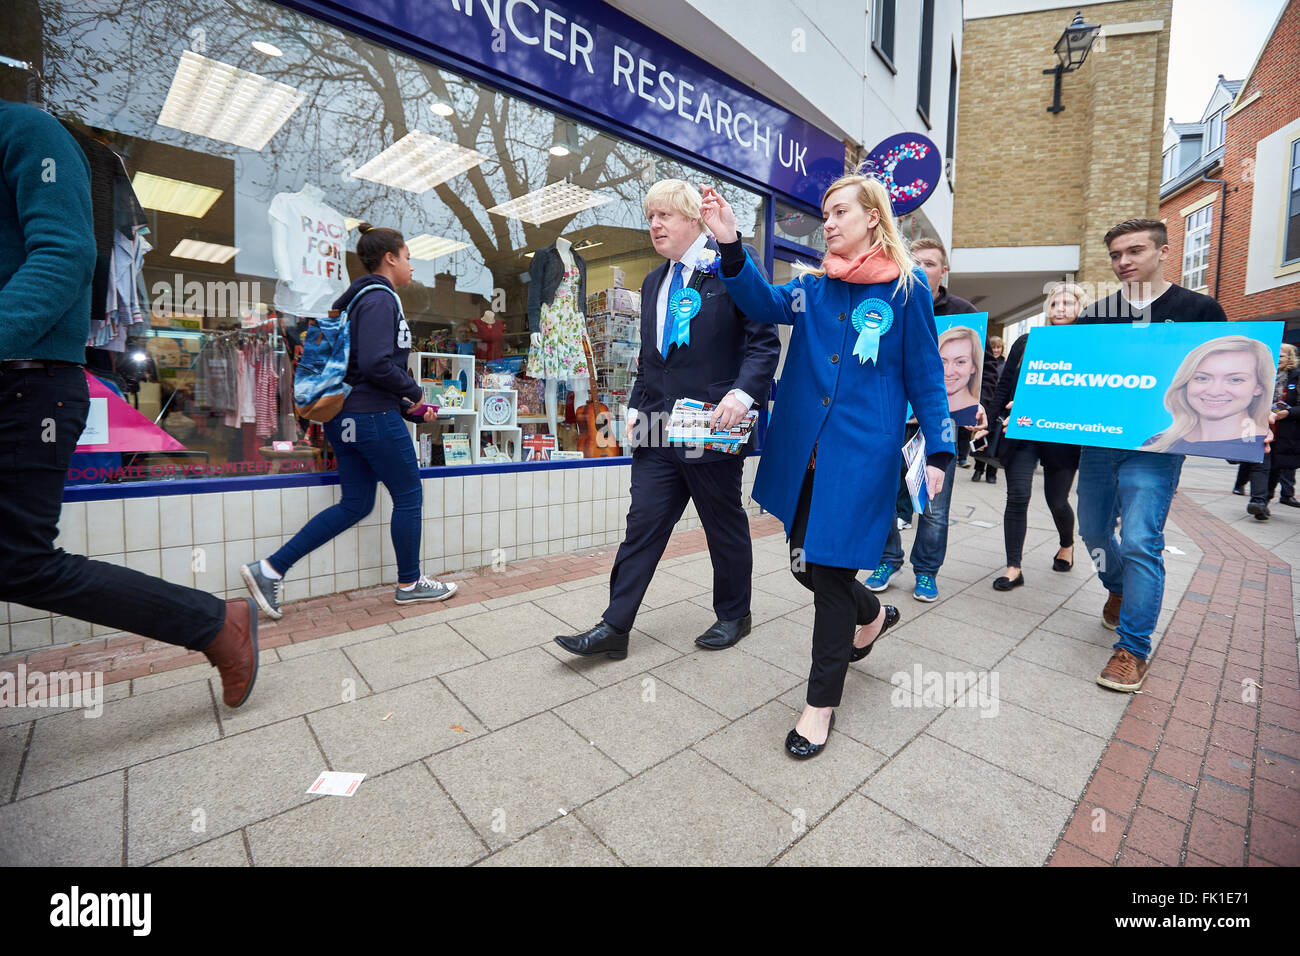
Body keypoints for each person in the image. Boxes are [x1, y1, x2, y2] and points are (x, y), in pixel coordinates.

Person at [0, 99, 258, 708]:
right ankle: (218, 622)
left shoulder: (24, 130)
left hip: (24, 382)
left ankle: (217, 623)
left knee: (18, 562)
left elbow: (64, 254)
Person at [700, 176, 954, 759]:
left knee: (831, 578)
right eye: (826, 213)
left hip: (862, 456)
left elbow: (926, 374)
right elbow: (761, 302)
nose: (829, 223)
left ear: (872, 217)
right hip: (803, 453)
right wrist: (731, 243)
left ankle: (819, 705)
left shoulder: (906, 291)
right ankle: (875, 616)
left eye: (840, 212)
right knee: (804, 566)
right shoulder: (812, 286)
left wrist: (939, 448)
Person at [553, 180, 780, 660]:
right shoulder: (655, 280)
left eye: (665, 215)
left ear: (695, 219)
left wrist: (743, 395)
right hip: (657, 428)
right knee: (643, 524)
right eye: (651, 215)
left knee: (722, 523)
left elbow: (764, 341)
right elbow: (651, 358)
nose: (655, 224)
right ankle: (615, 627)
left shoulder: (733, 266)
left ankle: (735, 613)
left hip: (710, 426)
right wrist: (635, 407)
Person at [241, 224, 455, 619]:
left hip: (349, 417)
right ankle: (409, 583)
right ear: (390, 257)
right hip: (372, 417)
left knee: (356, 503)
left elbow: (361, 368)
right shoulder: (379, 299)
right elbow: (375, 363)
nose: (411, 266)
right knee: (408, 495)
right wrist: (415, 392)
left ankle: (270, 569)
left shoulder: (359, 301)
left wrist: (404, 404)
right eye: (408, 257)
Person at [1075, 218, 1228, 693]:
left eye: (1134, 251)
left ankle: (1132, 649)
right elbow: (1075, 377)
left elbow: (1222, 374)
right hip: (1099, 442)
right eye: (1116, 255)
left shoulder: (1200, 311)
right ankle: (1117, 587)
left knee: (1142, 538)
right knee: (1094, 529)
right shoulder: (1095, 316)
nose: (1123, 262)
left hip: (1158, 447)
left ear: (1163, 252)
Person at [867, 236, 992, 601]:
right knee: (884, 497)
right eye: (914, 262)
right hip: (891, 418)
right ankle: (887, 558)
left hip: (940, 423)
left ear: (943, 270)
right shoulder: (890, 301)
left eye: (929, 263)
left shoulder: (962, 311)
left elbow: (977, 370)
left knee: (934, 504)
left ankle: (926, 571)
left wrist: (977, 405)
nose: (921, 269)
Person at [990, 282, 1088, 591]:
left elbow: (1089, 391)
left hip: (1062, 436)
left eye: (1067, 303)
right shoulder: (1026, 342)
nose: (1060, 308)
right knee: (1017, 495)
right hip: (1022, 432)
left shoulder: (1090, 346)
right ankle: (1013, 567)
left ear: (1080, 309)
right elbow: (1004, 387)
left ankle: (1066, 544)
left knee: (1057, 500)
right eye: (1055, 303)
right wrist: (986, 416)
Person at [1140, 336, 1273, 458]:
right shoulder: (1157, 442)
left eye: (1235, 380)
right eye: (1202, 378)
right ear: (1186, 382)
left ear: (1258, 387)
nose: (1215, 391)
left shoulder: (1258, 444)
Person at [1245, 342, 1300, 519]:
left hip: (1285, 431)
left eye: (1281, 356)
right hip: (1261, 427)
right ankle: (1258, 501)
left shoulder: (1296, 377)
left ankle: (1265, 499)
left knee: (1277, 467)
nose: (1277, 359)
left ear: (1290, 357)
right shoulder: (1260, 375)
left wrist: (1289, 412)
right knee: (1260, 464)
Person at [973, 336, 1005, 482]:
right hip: (986, 403)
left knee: (995, 438)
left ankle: (991, 472)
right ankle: (978, 469)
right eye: (994, 347)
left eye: (999, 347)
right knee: (981, 437)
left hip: (1000, 407)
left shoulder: (1005, 364)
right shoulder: (983, 362)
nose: (996, 350)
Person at [937, 325, 983, 426]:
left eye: (960, 362)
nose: (948, 372)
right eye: (942, 362)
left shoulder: (979, 417)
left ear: (974, 366)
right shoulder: (918, 414)